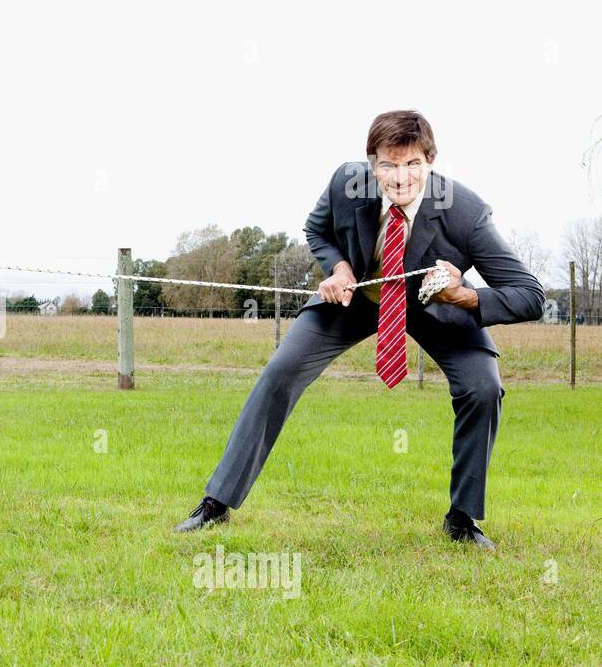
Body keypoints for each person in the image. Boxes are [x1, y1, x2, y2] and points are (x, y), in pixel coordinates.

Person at [177, 110, 545, 550]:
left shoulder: (466, 212)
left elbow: (531, 294)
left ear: (430, 160)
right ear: (372, 165)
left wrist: (463, 295)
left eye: (412, 164)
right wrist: (338, 267)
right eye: (388, 165)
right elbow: (316, 229)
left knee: (483, 388)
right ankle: (216, 503)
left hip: (436, 306)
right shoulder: (345, 183)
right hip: (355, 301)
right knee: (281, 371)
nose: (400, 178)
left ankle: (462, 519)